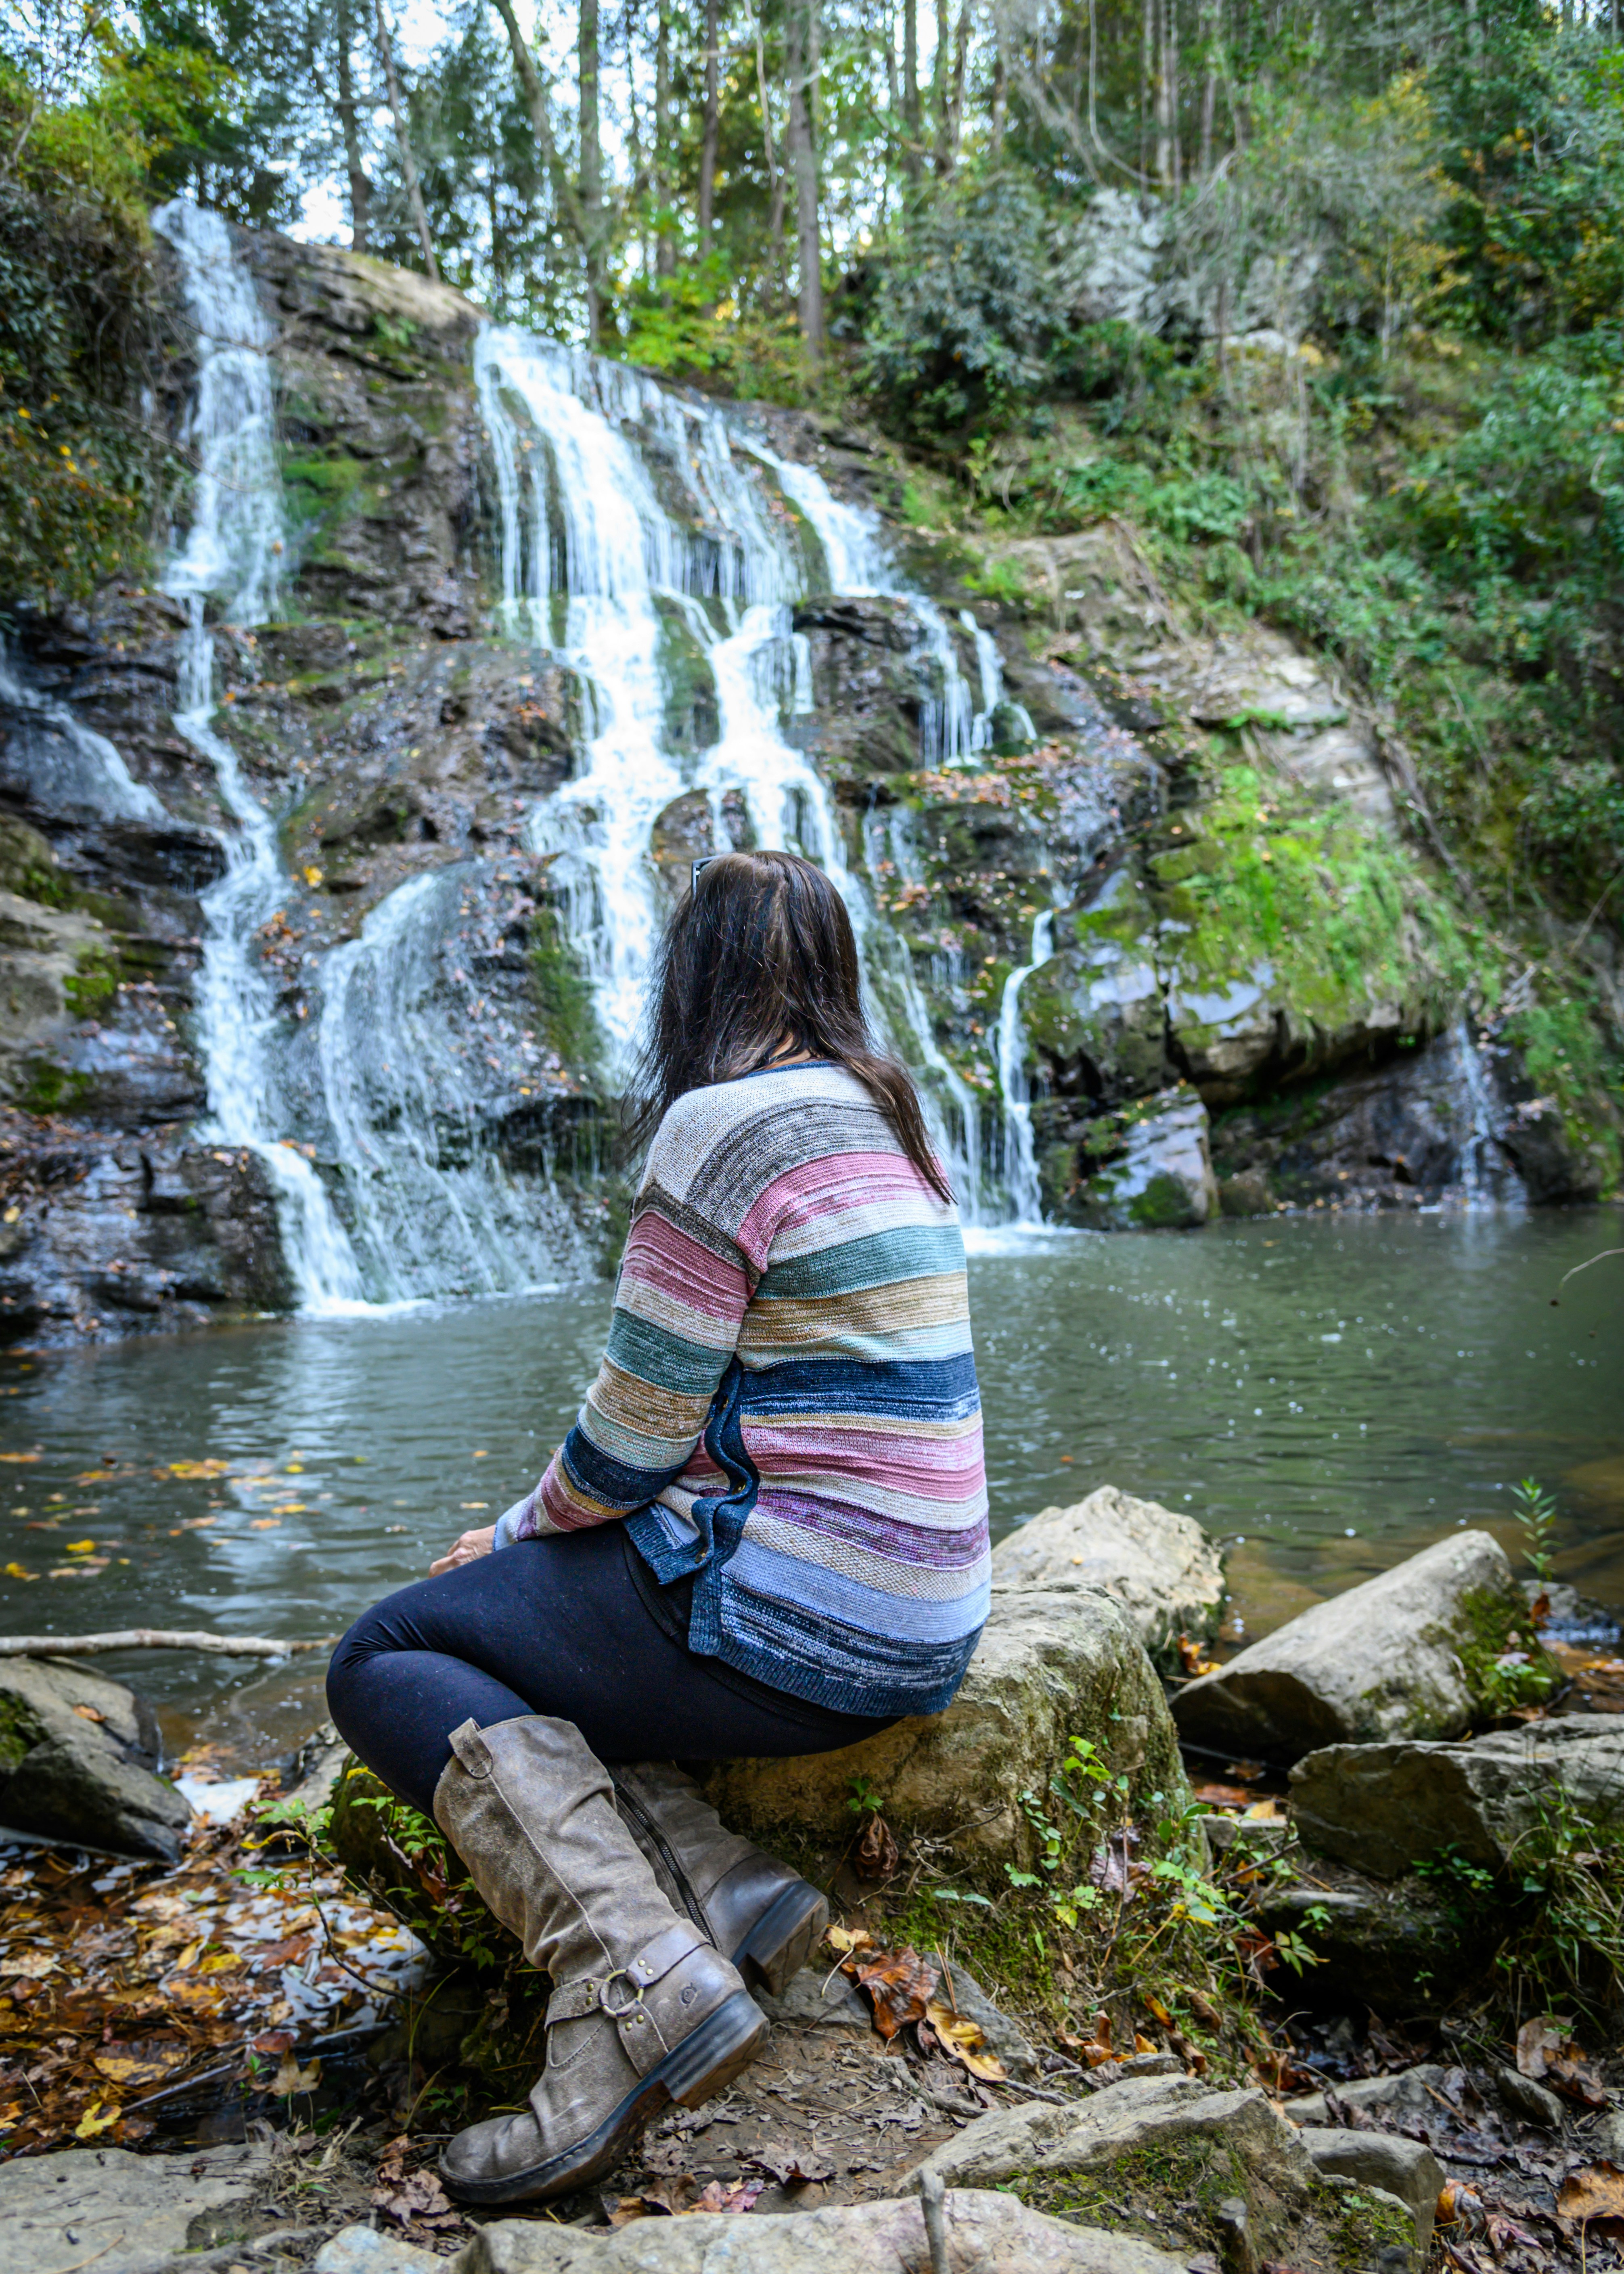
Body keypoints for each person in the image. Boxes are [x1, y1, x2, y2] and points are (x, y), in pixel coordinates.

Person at [325, 848, 990, 2207]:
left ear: (692, 977)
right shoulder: (891, 1117)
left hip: (802, 1621)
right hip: (929, 1618)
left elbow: (632, 1438)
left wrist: (513, 1532)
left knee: (387, 1656)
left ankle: (635, 1981)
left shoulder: (721, 1127)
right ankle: (723, 1883)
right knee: (545, 1631)